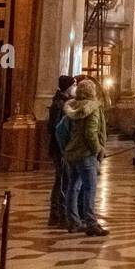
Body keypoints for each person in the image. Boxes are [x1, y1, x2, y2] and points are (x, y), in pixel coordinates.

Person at [63, 77, 109, 236]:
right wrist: (98, 149)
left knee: (73, 187)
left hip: (72, 151)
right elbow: (91, 133)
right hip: (86, 154)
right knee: (90, 188)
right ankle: (91, 223)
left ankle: (73, 221)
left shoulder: (72, 106)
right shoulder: (93, 107)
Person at [47, 74, 76, 227]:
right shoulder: (60, 104)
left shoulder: (63, 102)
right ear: (68, 87)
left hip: (62, 149)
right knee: (62, 181)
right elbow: (56, 128)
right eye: (74, 85)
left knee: (63, 181)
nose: (75, 88)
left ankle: (59, 213)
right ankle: (57, 214)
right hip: (60, 150)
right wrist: (64, 148)